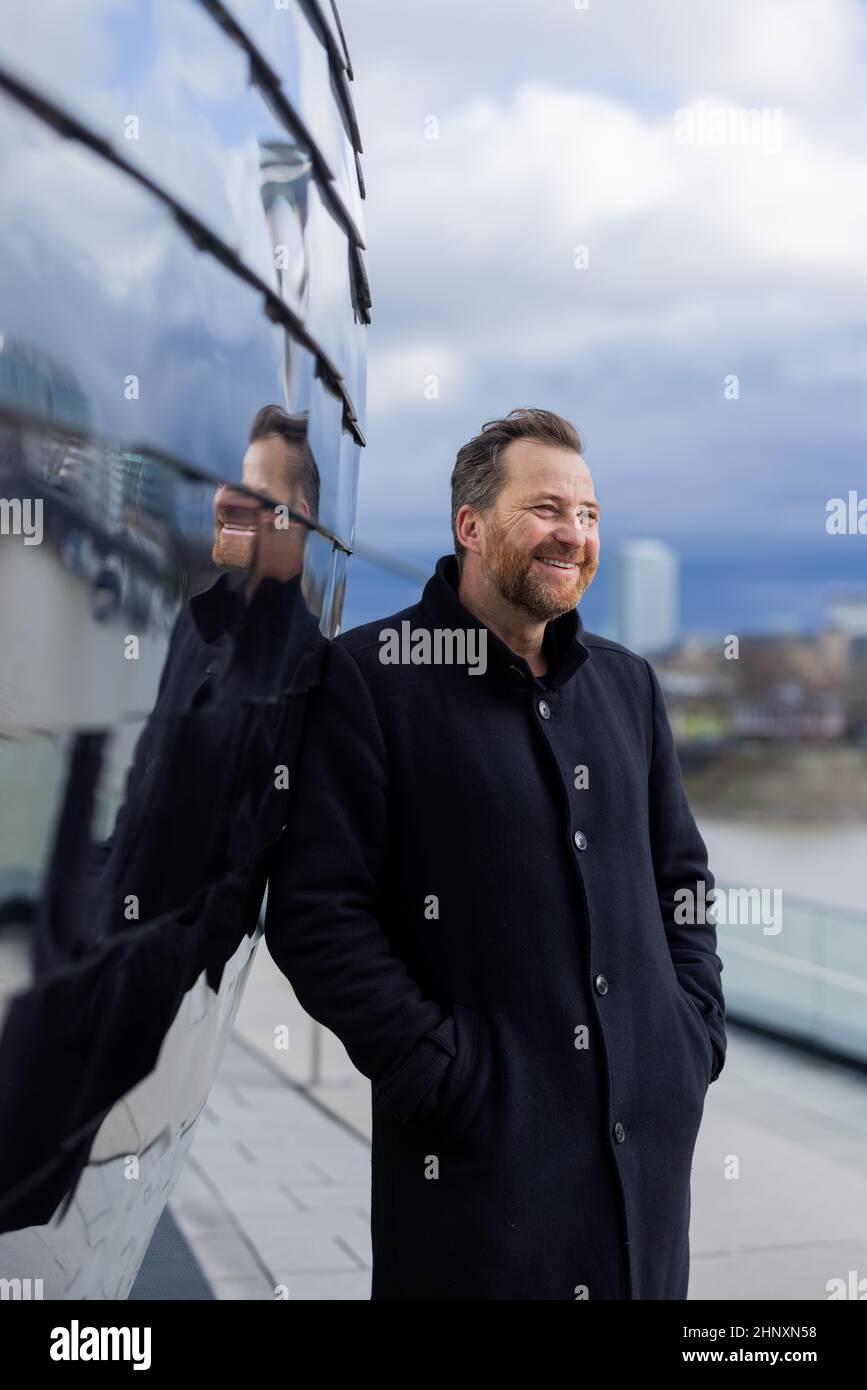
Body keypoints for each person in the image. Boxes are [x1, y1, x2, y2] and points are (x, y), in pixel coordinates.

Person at [264, 406, 726, 1300]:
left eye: (588, 515)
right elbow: (317, 911)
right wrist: (439, 1071)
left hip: (645, 1160)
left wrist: (690, 1033)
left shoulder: (628, 686)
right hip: (475, 1173)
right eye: (547, 509)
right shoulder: (369, 676)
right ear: (470, 526)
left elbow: (683, 881)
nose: (575, 535)